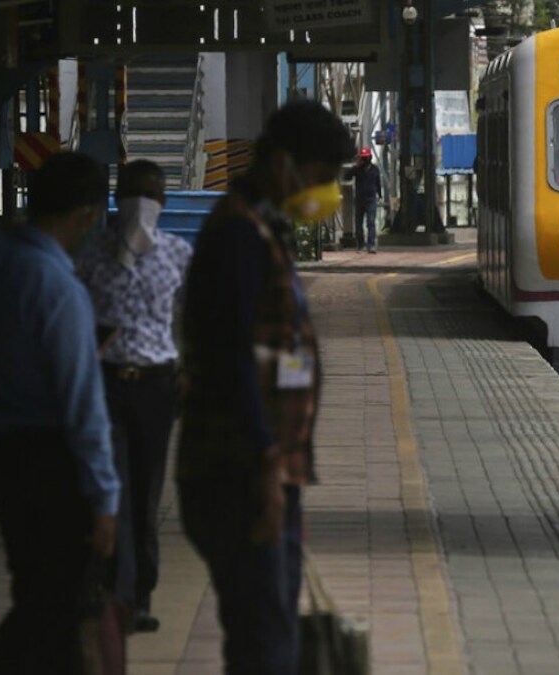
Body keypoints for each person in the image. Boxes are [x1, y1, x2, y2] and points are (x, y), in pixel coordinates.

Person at [177, 100, 352, 674]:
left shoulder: (260, 227)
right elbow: (231, 362)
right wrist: (265, 465)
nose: (326, 192)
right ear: (283, 164)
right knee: (265, 636)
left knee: (268, 626)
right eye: (322, 177)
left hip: (267, 468)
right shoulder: (238, 237)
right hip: (241, 473)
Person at [0, 152, 121, 674]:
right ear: (86, 214)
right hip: (52, 463)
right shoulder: (58, 288)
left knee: (34, 592)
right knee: (55, 608)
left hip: (5, 454)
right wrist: (105, 496)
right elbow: (82, 405)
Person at [76, 159, 193, 633]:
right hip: (105, 384)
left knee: (145, 494)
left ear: (162, 203)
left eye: (151, 195)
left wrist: (187, 370)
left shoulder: (177, 254)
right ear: (116, 199)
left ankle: (139, 593)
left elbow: (192, 317)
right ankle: (115, 593)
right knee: (113, 492)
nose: (141, 206)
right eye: (132, 195)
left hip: (156, 386)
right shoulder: (92, 255)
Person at [345, 147, 383, 253]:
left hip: (371, 199)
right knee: (359, 222)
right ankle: (360, 244)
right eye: (363, 158)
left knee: (371, 222)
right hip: (359, 199)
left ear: (370, 157)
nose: (364, 160)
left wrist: (380, 195)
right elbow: (346, 177)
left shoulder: (375, 169)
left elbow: (378, 183)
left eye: (366, 158)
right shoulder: (357, 169)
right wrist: (356, 166)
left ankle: (371, 245)